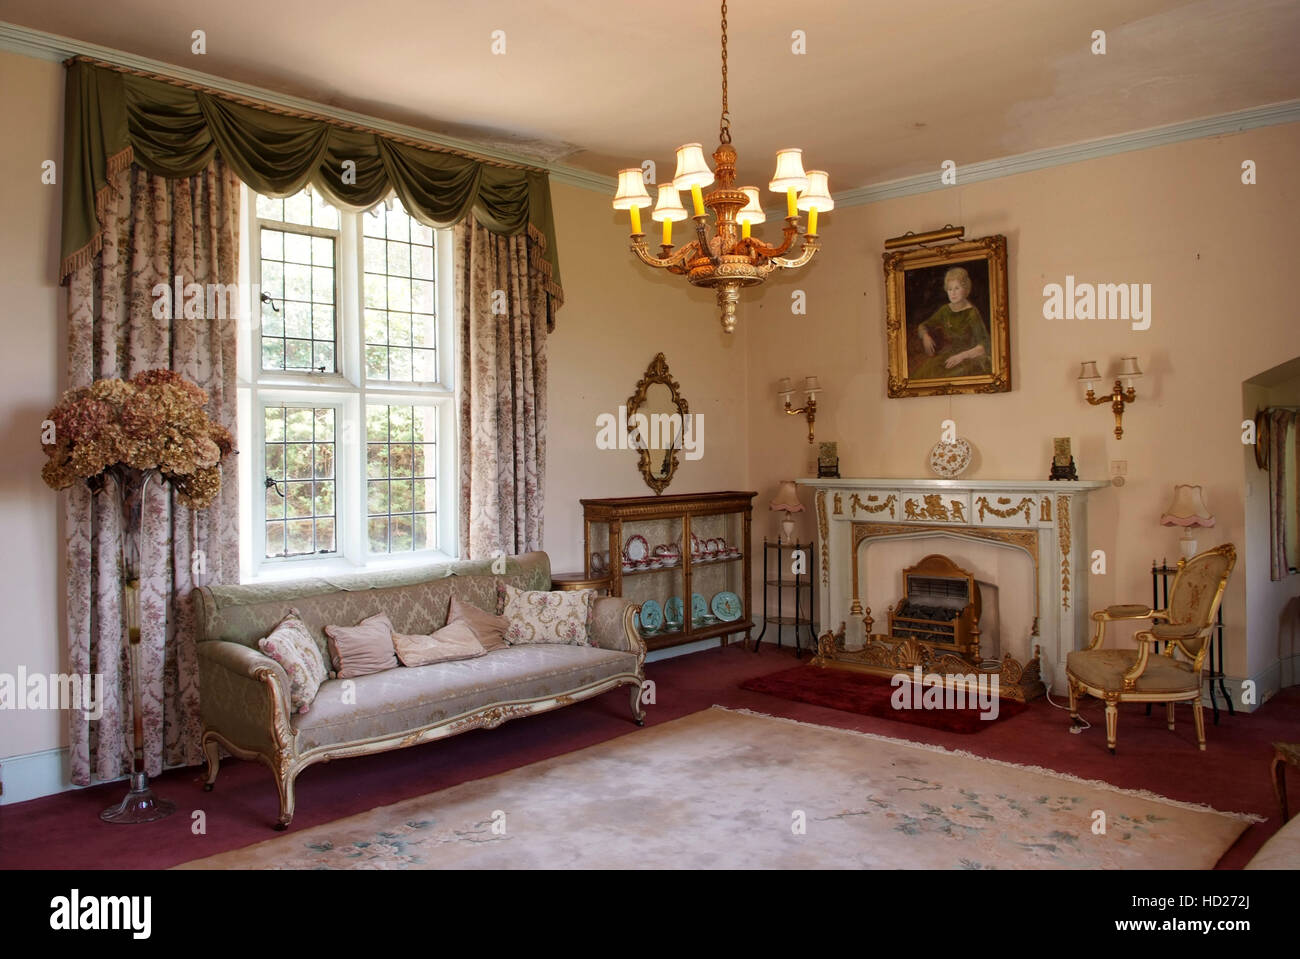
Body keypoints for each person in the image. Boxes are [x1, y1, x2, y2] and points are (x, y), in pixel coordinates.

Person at [911, 266, 991, 379]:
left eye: (957, 288)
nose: (953, 293)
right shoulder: (945, 310)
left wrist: (962, 356)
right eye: (949, 289)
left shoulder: (972, 313)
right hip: (950, 354)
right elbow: (924, 325)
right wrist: (925, 336)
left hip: (969, 358)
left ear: (966, 289)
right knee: (924, 374)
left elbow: (984, 346)